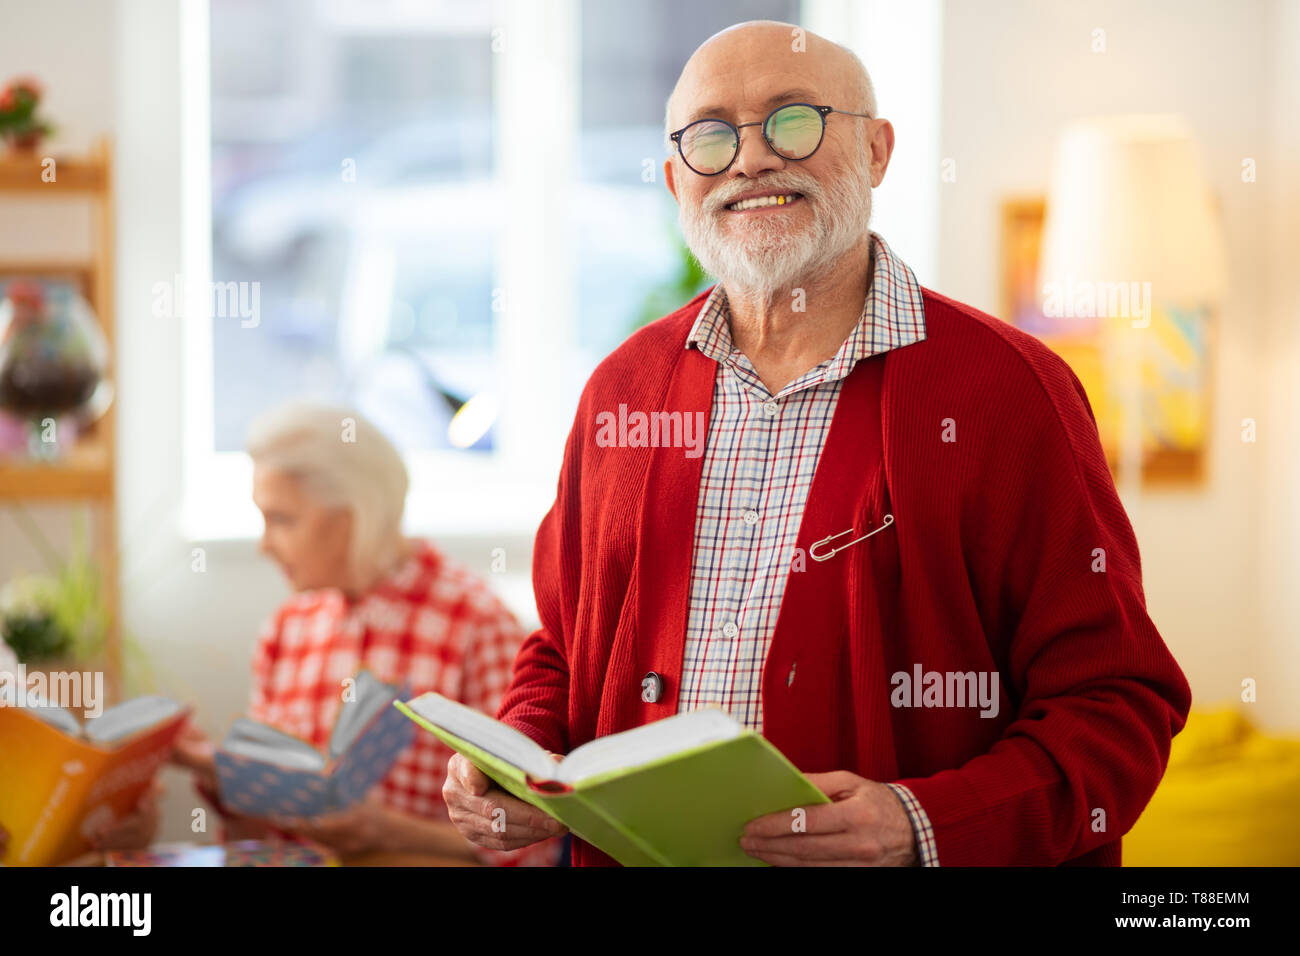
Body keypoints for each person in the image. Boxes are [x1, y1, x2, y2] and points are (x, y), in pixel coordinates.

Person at [442, 20, 1192, 866]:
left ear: (877, 151)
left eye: (793, 119)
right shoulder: (624, 388)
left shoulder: (1011, 392)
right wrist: (519, 759)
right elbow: (562, 644)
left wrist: (921, 825)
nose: (750, 160)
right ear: (673, 179)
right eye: (711, 136)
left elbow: (1117, 702)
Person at [173, 403, 559, 866]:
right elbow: (260, 842)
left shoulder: (478, 625)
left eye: (282, 520)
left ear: (352, 517)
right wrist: (226, 778)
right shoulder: (287, 628)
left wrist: (388, 833)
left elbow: (535, 844)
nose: (264, 545)